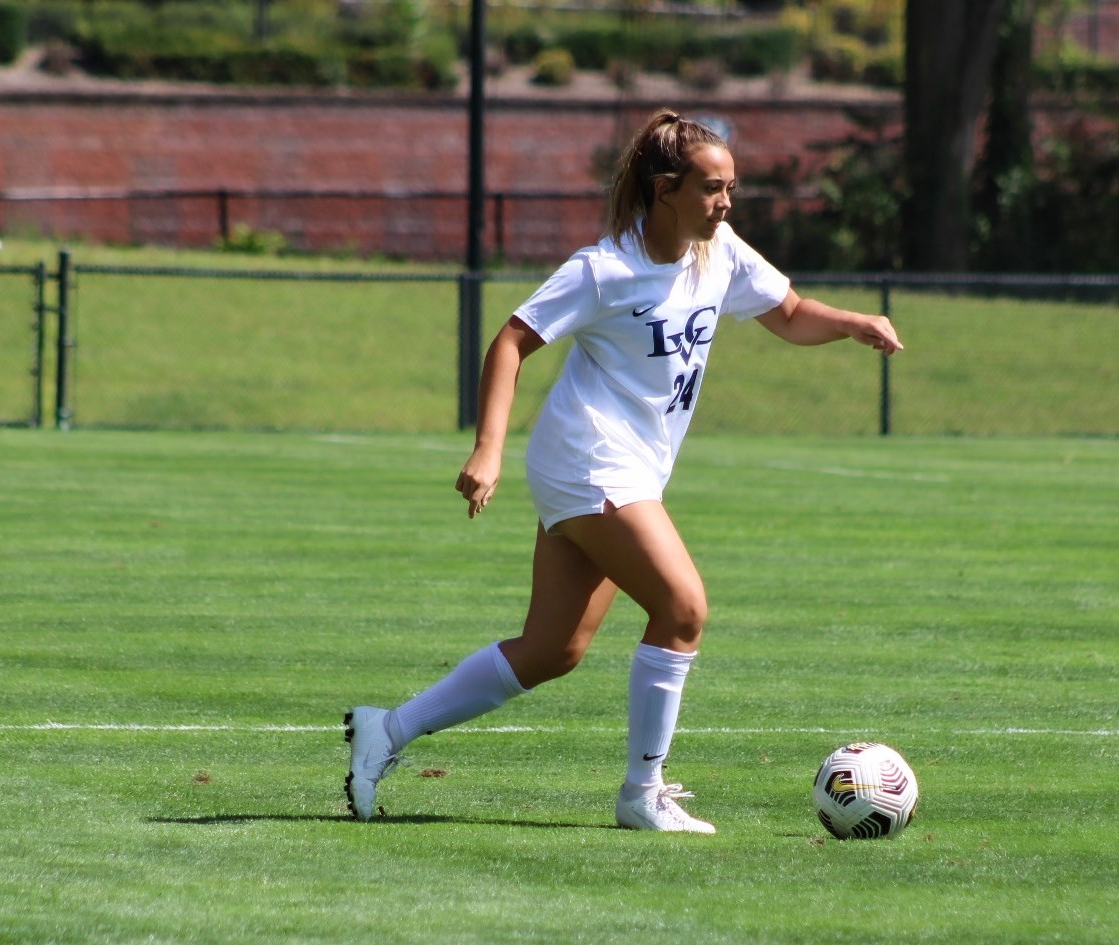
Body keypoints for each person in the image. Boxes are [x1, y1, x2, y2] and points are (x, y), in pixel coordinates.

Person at [345, 109, 903, 832]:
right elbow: (511, 341)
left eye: (731, 187)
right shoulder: (604, 268)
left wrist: (854, 323)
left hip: (627, 467)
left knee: (553, 649)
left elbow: (791, 314)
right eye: (712, 188)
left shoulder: (719, 252)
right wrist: (487, 448)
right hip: (589, 459)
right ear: (664, 189)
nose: (726, 202)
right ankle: (643, 792)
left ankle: (385, 729)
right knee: (682, 607)